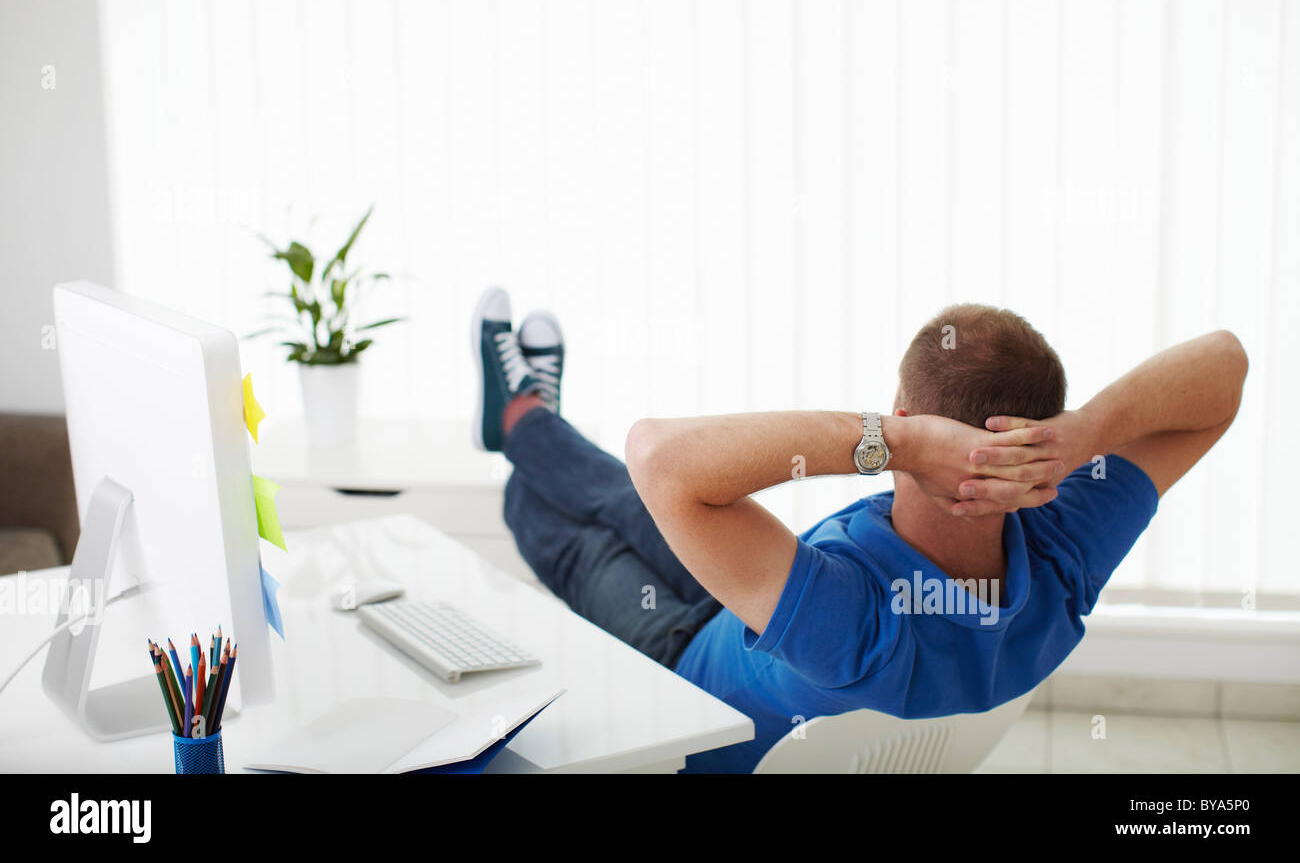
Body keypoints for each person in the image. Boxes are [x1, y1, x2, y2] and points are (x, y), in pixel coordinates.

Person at [471, 288, 1248, 773]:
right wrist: (1082, 436)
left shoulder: (862, 624)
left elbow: (659, 456)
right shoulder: (1064, 548)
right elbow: (1226, 366)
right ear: (1036, 439)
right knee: (615, 494)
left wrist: (896, 443)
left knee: (549, 514)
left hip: (688, 671)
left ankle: (519, 423)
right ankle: (531, 414)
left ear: (906, 415)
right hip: (769, 595)